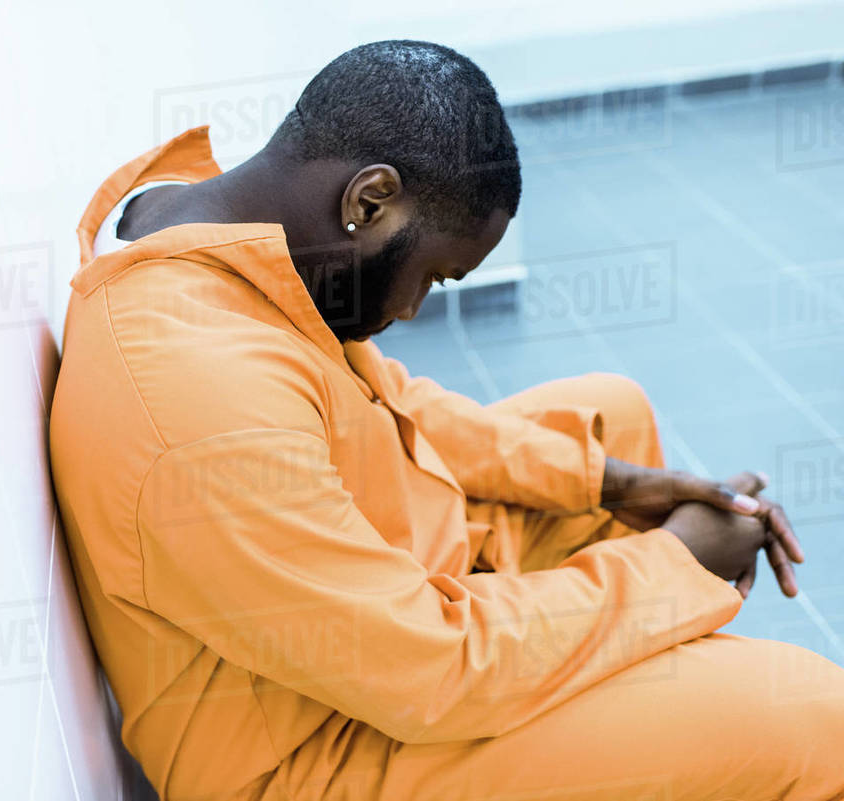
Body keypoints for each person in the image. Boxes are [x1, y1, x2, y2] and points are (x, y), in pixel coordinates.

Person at [50, 40, 844, 801]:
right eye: (433, 274)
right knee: (814, 717)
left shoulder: (211, 230)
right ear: (369, 200)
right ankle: (697, 716)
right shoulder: (201, 403)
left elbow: (396, 401)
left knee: (611, 413)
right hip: (323, 752)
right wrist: (673, 564)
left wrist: (605, 480)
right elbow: (431, 666)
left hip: (382, 604)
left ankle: (658, 714)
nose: (414, 309)